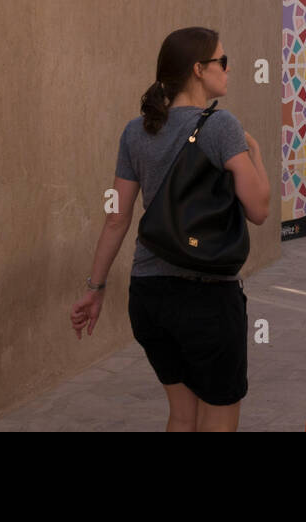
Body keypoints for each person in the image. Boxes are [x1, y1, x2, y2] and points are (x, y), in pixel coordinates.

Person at [70, 26, 270, 432]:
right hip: (208, 296)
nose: (229, 70)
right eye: (223, 62)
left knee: (181, 414)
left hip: (150, 296)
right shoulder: (221, 126)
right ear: (199, 69)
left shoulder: (135, 131)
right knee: (217, 413)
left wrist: (95, 288)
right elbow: (259, 209)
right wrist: (258, 156)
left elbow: (117, 217)